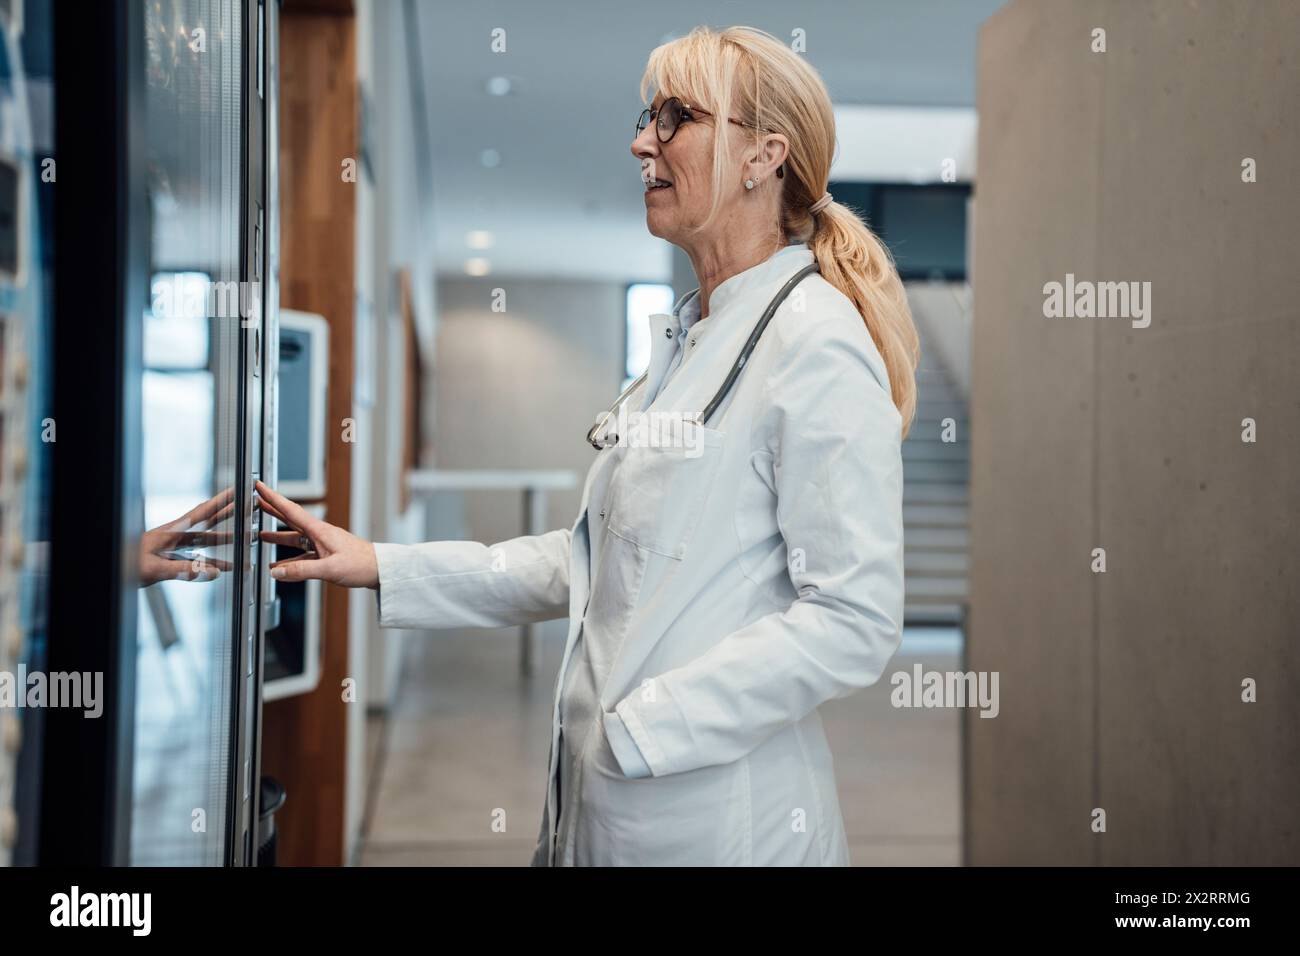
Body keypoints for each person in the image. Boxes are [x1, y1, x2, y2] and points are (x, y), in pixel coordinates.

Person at [257, 24, 918, 866]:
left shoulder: (814, 340)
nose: (642, 140)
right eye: (649, 116)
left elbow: (853, 615)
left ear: (763, 155)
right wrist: (380, 563)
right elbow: (597, 564)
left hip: (714, 823)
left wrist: (643, 730)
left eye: (675, 116)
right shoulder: (688, 343)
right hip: (604, 805)